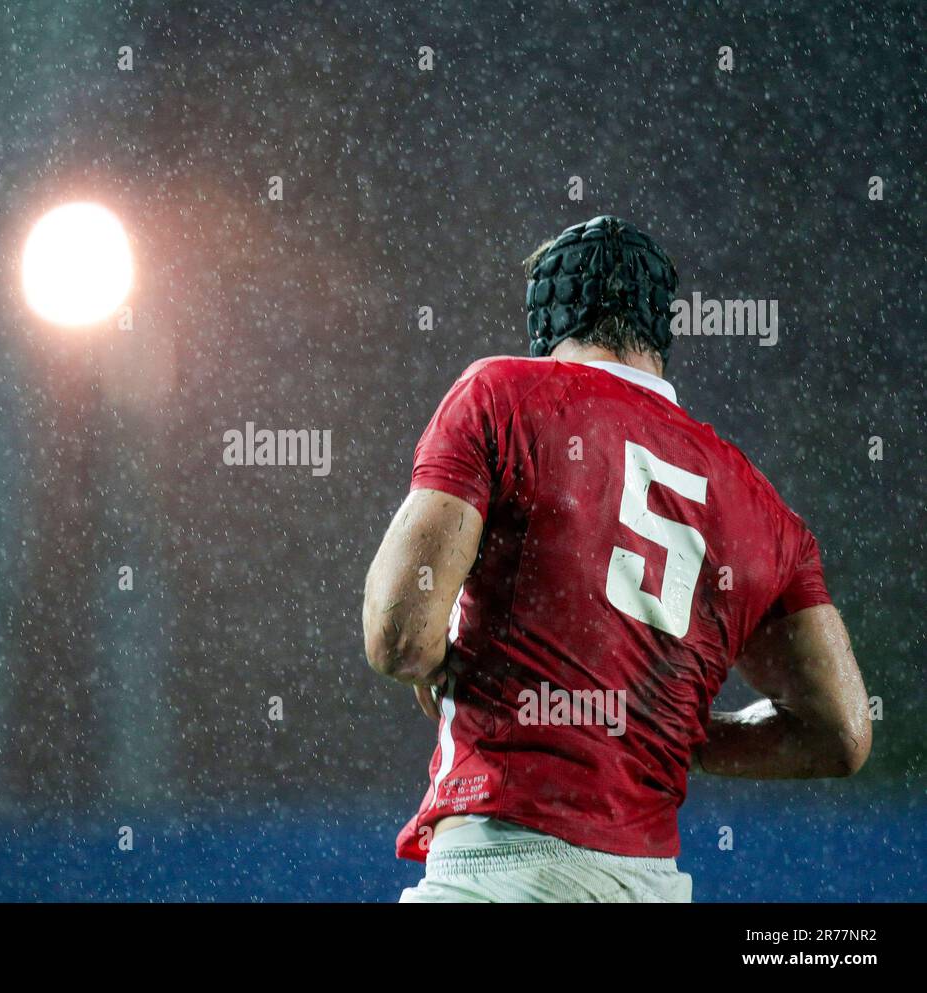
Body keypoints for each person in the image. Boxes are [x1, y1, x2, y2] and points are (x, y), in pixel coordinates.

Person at [361, 216, 871, 903]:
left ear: (546, 322)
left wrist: (439, 656)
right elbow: (840, 732)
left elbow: (397, 638)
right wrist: (664, 725)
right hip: (653, 882)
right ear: (658, 332)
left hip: (505, 862)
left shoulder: (502, 394)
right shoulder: (763, 509)